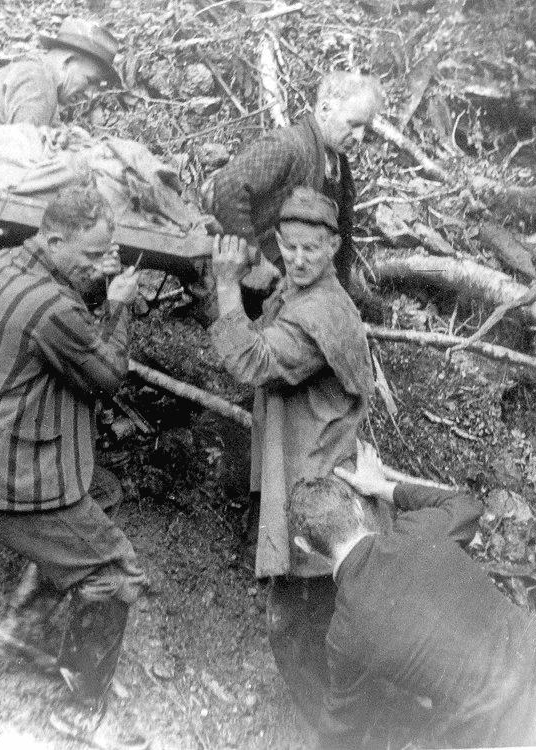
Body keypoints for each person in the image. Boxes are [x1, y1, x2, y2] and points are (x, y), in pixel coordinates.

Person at [0, 181, 147, 750]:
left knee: (102, 491)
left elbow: (68, 326)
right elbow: (107, 376)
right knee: (115, 574)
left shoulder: (3, 263)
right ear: (52, 240)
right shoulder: (52, 307)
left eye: (108, 254)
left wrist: (96, 283)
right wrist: (120, 302)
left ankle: (27, 629)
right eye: (92, 256)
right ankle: (81, 707)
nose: (101, 267)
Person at [287, 442, 536, 749]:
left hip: (512, 737)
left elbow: (342, 724)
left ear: (305, 547)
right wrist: (381, 486)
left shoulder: (346, 633)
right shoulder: (421, 530)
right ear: (359, 510)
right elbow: (465, 504)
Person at [210, 187, 375, 725]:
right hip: (316, 471)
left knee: (297, 626)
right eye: (290, 247)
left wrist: (225, 285)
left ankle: (337, 730)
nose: (299, 260)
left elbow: (254, 361)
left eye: (311, 249)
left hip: (313, 486)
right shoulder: (306, 295)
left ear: (333, 248)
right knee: (319, 620)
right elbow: (276, 305)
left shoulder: (318, 315)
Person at [207, 71, 383, 309]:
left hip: (299, 284)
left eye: (365, 127)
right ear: (325, 109)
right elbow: (228, 187)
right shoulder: (289, 146)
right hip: (264, 288)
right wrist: (253, 259)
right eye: (353, 124)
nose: (360, 136)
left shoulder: (337, 163)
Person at [0, 17, 121, 129]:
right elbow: (28, 158)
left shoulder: (33, 72)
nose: (91, 94)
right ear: (68, 61)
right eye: (90, 81)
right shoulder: (38, 80)